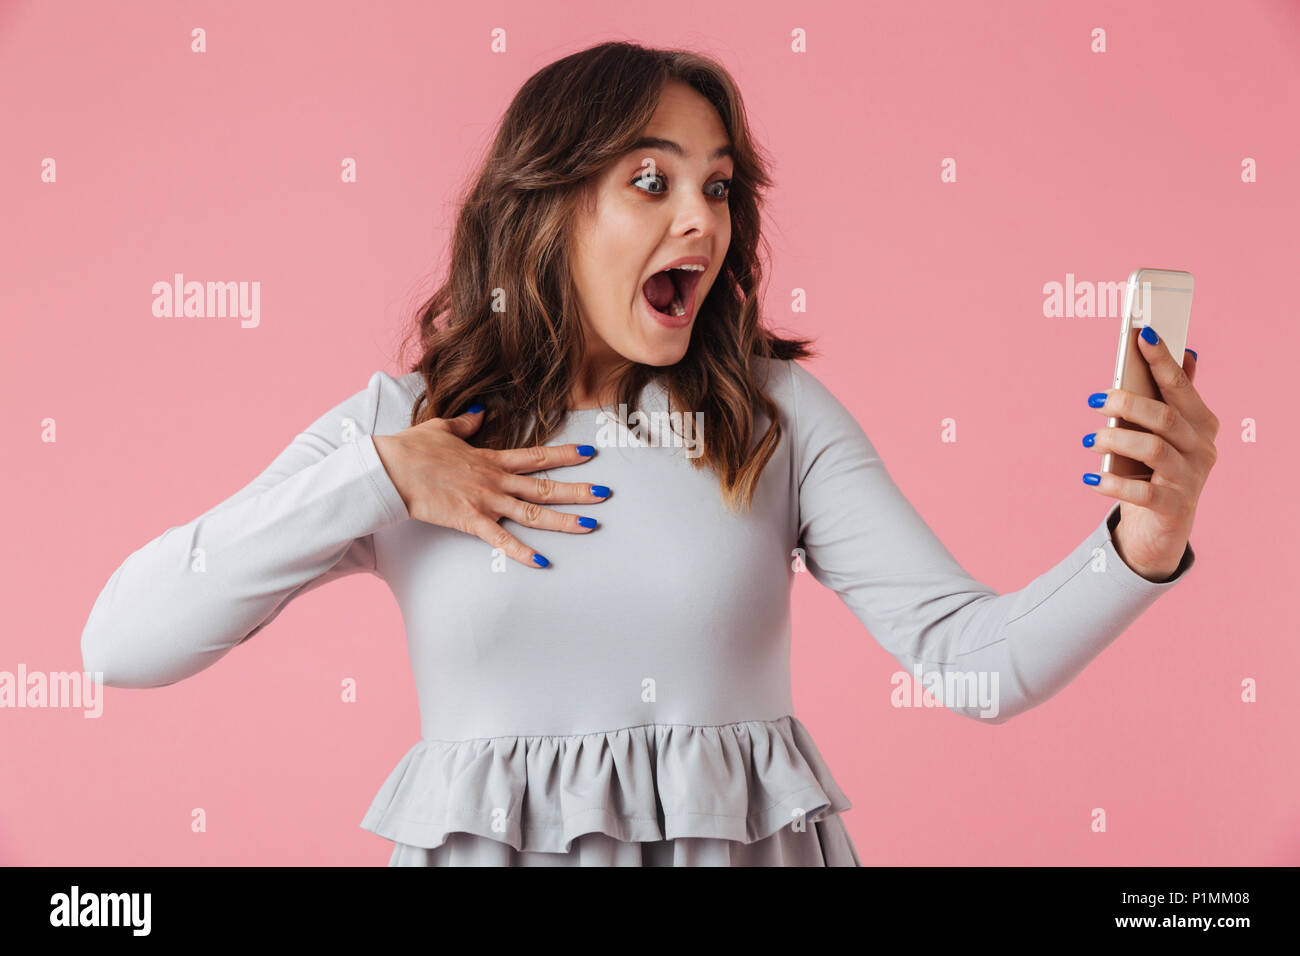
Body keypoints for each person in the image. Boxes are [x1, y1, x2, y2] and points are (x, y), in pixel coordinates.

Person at [80, 42, 1217, 866]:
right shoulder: (408, 427)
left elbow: (978, 664)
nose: (702, 222)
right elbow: (121, 642)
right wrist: (378, 475)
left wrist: (1142, 540)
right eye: (651, 180)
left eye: (717, 187)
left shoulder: (771, 418)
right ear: (548, 203)